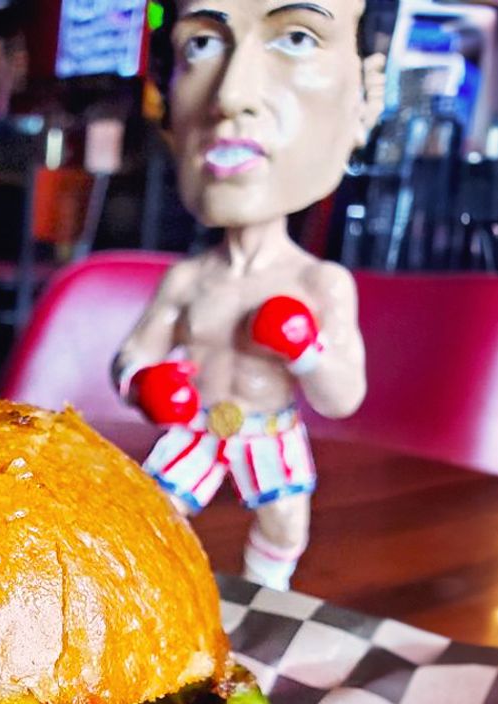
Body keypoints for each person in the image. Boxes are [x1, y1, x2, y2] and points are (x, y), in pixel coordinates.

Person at [113, 0, 384, 590]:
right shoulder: (187, 279)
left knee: (286, 523)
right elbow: (132, 355)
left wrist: (305, 348)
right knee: (153, 516)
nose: (231, 95)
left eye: (296, 38)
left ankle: (267, 610)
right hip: (196, 427)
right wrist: (144, 383)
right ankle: (160, 607)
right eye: (201, 44)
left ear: (367, 98)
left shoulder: (319, 284)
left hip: (269, 427)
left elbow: (343, 395)